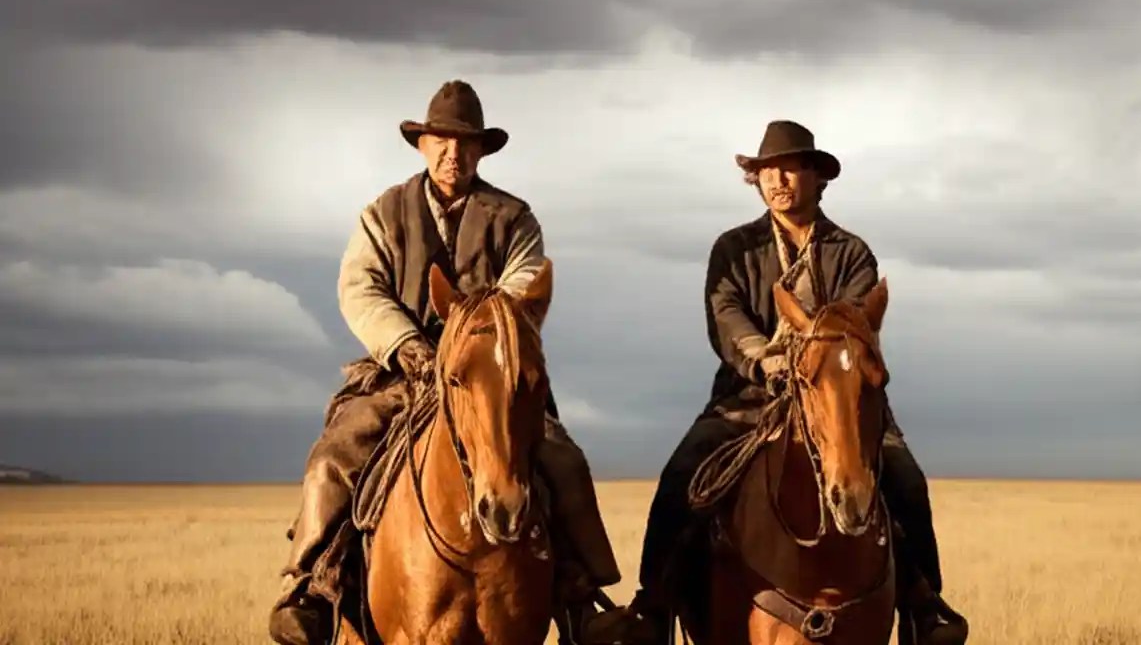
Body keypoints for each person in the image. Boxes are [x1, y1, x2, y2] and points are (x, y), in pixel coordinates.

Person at [267, 80, 621, 645]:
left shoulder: (514, 218)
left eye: (466, 143)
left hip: (489, 375)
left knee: (561, 460)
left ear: (482, 151)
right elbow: (360, 288)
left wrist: (471, 342)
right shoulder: (384, 213)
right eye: (442, 141)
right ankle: (311, 584)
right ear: (422, 145)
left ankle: (581, 595)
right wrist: (406, 344)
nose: (454, 153)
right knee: (334, 457)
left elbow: (522, 288)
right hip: (399, 370)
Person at [605, 120, 968, 644]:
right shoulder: (734, 248)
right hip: (748, 397)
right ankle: (654, 605)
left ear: (817, 178)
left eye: (790, 168)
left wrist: (809, 360)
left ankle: (922, 604)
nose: (777, 179)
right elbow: (726, 317)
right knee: (683, 474)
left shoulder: (851, 254)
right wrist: (766, 362)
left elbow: (853, 326)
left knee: (905, 478)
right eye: (766, 170)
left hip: (838, 399)